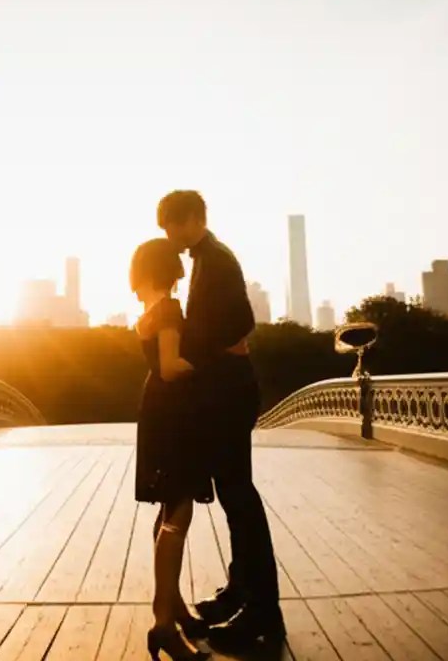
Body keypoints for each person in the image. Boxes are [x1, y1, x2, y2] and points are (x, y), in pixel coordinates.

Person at [157, 190, 285, 651]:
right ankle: (240, 592)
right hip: (226, 390)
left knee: (239, 498)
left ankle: (263, 611)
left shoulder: (215, 259)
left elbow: (239, 323)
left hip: (230, 392)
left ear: (190, 219)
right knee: (235, 495)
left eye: (170, 225)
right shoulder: (208, 258)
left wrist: (182, 339)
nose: (167, 236)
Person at [129, 238, 212, 661]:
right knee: (179, 513)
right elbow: (170, 365)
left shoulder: (148, 312)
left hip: (155, 413)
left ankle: (174, 607)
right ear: (171, 268)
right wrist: (206, 368)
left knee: (167, 511)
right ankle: (163, 623)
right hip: (175, 418)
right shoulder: (171, 310)